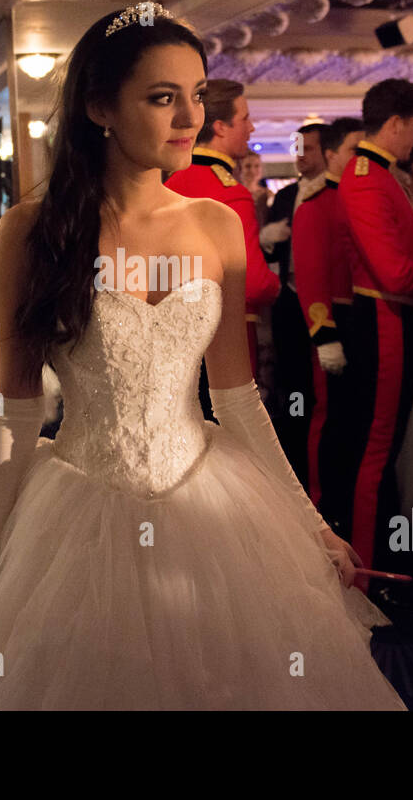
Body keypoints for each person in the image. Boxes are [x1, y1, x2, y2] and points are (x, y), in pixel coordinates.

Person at [0, 4, 405, 710]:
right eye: (163, 98)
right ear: (100, 106)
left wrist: (311, 523)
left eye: (195, 95)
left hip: (210, 502)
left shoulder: (216, 223)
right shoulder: (30, 232)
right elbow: (17, 409)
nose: (189, 117)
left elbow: (237, 396)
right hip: (74, 508)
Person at [336, 79, 413, 607]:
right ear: (394, 123)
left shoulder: (381, 174)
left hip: (392, 319)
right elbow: (395, 274)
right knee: (375, 451)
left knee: (383, 449)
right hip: (385, 321)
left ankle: (379, 563)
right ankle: (367, 579)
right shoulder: (368, 177)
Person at [165, 77, 280, 389]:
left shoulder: (172, 182)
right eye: (245, 119)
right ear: (220, 127)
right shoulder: (230, 192)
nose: (252, 128)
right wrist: (280, 285)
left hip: (175, 335)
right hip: (227, 337)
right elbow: (253, 284)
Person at [291, 116, 364, 516]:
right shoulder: (317, 205)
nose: (360, 158)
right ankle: (321, 504)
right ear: (334, 154)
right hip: (334, 322)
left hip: (361, 320)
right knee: (328, 417)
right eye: (354, 150)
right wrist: (324, 335)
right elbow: (311, 274)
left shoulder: (356, 196)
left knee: (352, 419)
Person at [261, 122, 332, 487]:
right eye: (297, 148)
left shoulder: (337, 193)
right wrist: (266, 240)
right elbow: (268, 254)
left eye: (309, 148)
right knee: (292, 386)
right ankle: (292, 463)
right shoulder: (286, 196)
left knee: (325, 390)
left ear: (327, 152)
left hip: (326, 304)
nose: (301, 156)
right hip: (288, 303)